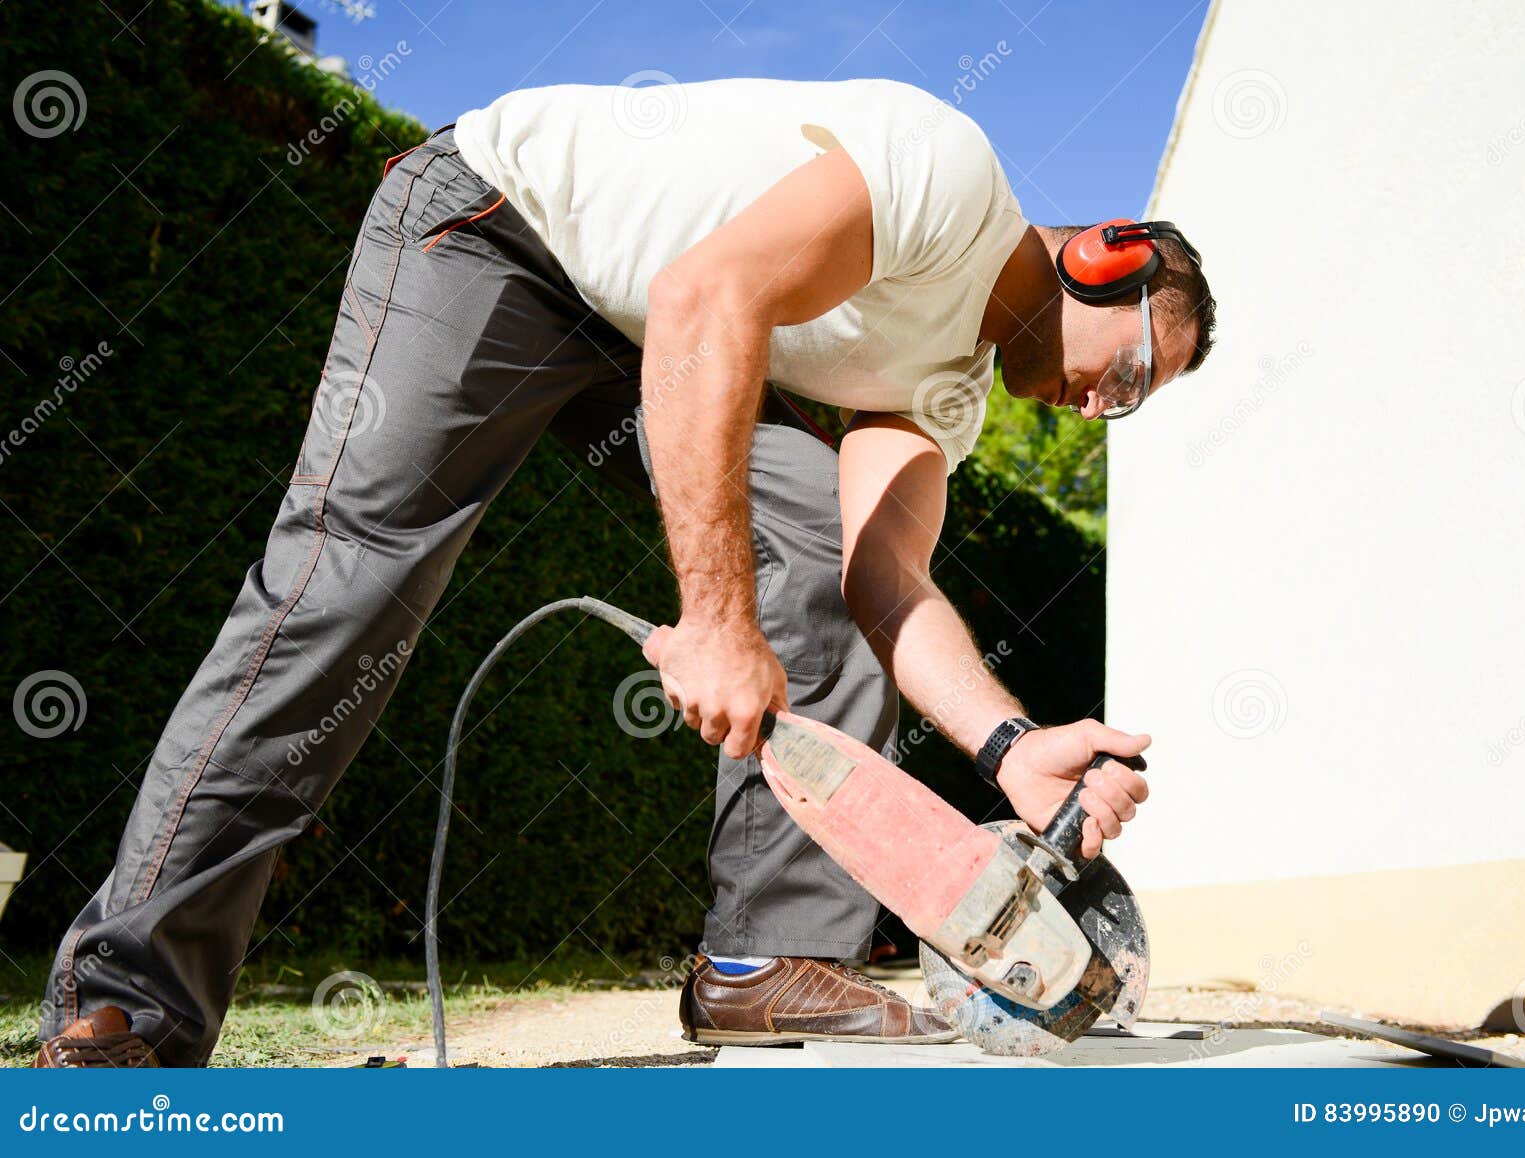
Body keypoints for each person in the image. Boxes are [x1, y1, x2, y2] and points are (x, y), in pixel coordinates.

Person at [36, 78, 1213, 1067]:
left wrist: (1009, 746)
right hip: (500, 228)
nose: (1106, 408)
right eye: (1132, 373)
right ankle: (134, 1004)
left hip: (648, 335)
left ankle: (762, 958)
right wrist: (713, 618)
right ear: (1107, 263)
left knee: (818, 541)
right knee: (347, 583)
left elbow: (883, 576)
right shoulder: (945, 176)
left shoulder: (949, 390)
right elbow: (707, 296)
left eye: (1131, 404)